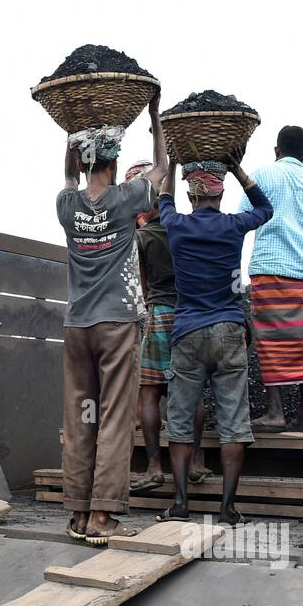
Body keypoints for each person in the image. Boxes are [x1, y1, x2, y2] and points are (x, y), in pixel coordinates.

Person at [56, 93, 170, 544]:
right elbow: (161, 167)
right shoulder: (127, 200)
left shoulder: (67, 205)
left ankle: (79, 513)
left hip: (77, 325)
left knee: (81, 416)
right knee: (115, 417)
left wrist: (73, 130)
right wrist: (155, 115)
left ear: (84, 163)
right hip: (117, 323)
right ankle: (103, 517)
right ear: (115, 159)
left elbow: (68, 174)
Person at [158, 150, 272, 525]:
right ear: (220, 195)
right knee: (233, 421)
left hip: (187, 331)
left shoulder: (175, 224)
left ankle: (179, 503)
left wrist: (173, 165)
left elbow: (162, 197)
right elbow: (265, 208)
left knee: (179, 419)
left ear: (191, 196)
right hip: (228, 329)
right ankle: (227, 509)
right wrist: (238, 168)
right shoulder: (234, 225)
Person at [241, 125, 303, 430]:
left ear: (276, 150)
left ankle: (275, 411)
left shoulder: (261, 175)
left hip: (270, 269)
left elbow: (242, 222)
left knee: (270, 342)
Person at [129, 161, 210, 494]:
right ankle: (196, 463)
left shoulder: (142, 236)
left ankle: (153, 467)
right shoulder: (187, 229)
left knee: (149, 392)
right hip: (192, 313)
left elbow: (143, 286)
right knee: (191, 390)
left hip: (159, 311)